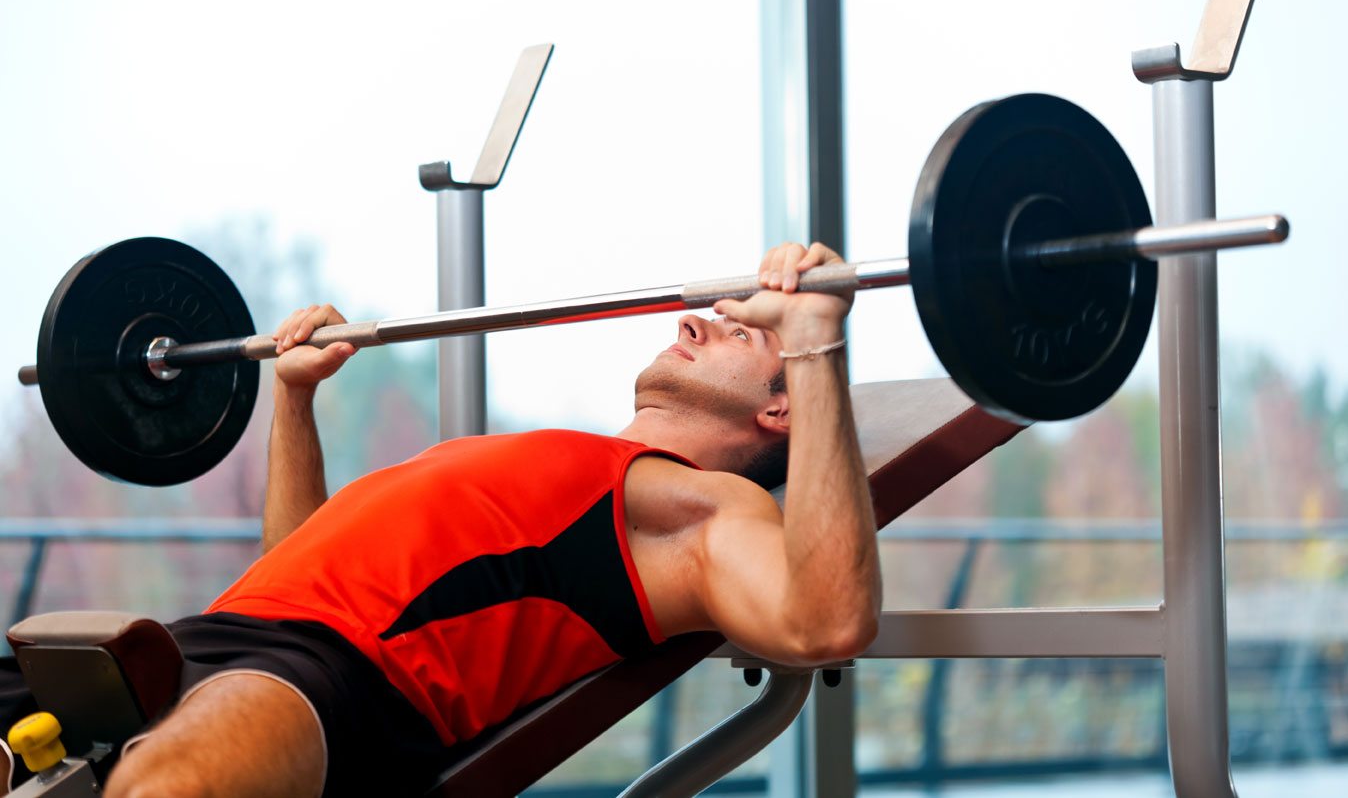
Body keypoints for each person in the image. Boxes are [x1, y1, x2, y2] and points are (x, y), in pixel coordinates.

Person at [0, 242, 879, 798]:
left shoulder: (693, 504)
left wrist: (812, 335)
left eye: (740, 334)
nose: (696, 322)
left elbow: (828, 619)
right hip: (217, 634)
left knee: (168, 787)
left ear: (780, 407)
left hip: (341, 687)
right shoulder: (537, 453)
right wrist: (294, 399)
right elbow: (293, 561)